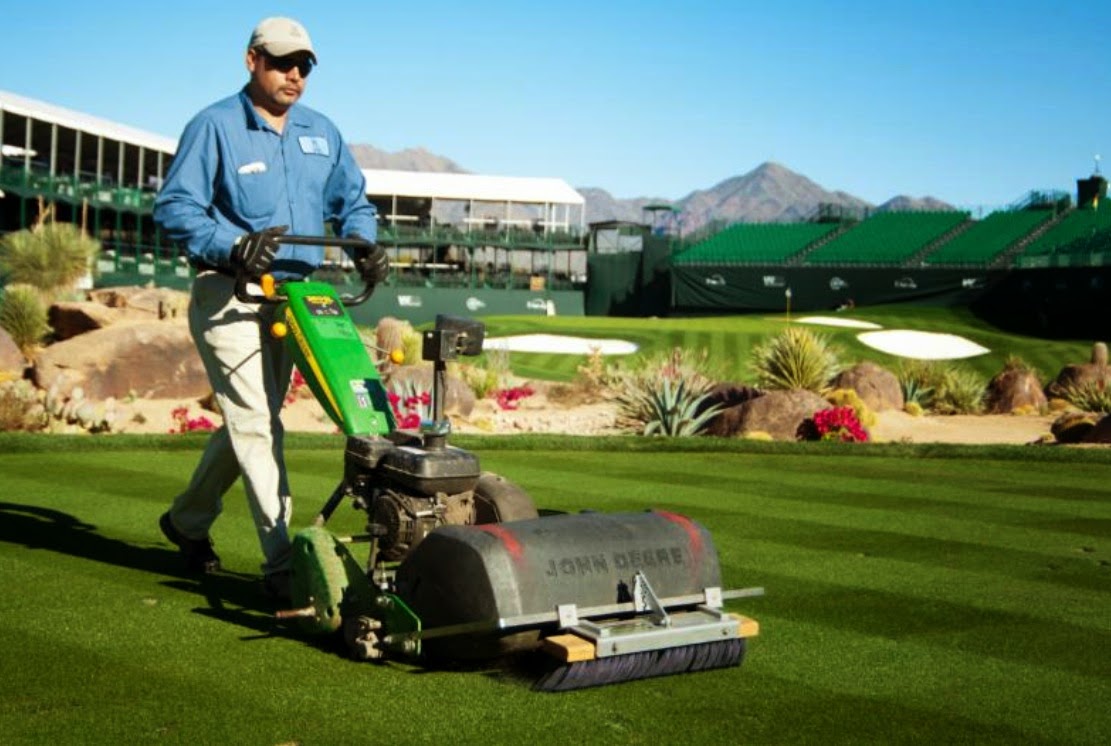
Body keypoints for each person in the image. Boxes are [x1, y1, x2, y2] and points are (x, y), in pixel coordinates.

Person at [153, 17, 388, 599]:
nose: (294, 75)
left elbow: (352, 200)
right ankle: (285, 565)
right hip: (228, 291)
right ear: (251, 59)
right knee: (256, 423)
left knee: (247, 422)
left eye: (304, 65)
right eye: (283, 62)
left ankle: (185, 523)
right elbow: (175, 207)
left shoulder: (321, 131)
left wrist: (364, 243)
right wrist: (230, 244)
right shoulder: (214, 126)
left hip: (298, 299)